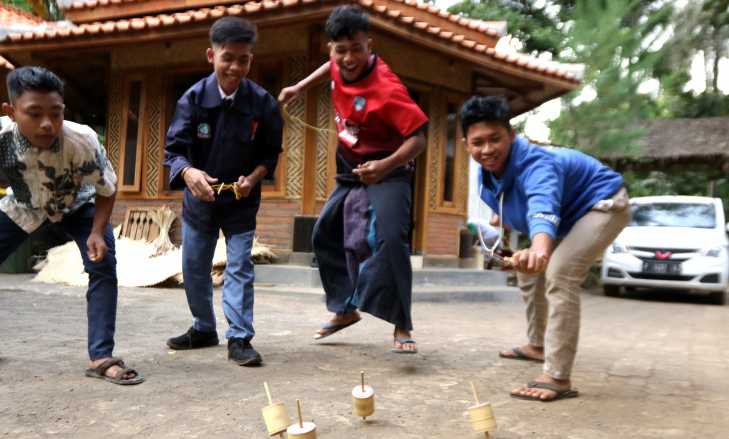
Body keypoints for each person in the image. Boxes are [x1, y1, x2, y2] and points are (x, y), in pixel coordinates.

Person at [0, 66, 143, 385]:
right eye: (35, 113)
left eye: (55, 114)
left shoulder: (82, 140)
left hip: (77, 202)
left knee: (102, 264)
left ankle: (101, 356)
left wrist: (98, 231)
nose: (47, 124)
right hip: (25, 202)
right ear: (11, 112)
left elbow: (106, 188)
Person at [459, 96, 631, 401]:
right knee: (528, 276)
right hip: (569, 217)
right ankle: (537, 346)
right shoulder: (489, 172)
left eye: (495, 139)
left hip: (603, 205)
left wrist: (539, 253)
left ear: (512, 135)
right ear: (466, 144)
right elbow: (514, 202)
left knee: (560, 273)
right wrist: (499, 222)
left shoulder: (537, 163)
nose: (487, 150)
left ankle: (557, 375)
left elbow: (542, 208)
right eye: (478, 142)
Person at [278, 5, 428, 354]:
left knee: (391, 241)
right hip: (350, 165)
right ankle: (345, 310)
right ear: (332, 48)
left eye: (356, 49)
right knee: (324, 233)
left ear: (369, 45)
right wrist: (299, 86)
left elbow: (419, 137)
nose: (348, 59)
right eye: (340, 50)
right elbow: (330, 69)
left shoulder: (387, 88)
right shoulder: (338, 60)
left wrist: (386, 165)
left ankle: (402, 325)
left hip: (390, 171)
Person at [164, 17, 284, 366]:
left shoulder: (263, 103)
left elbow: (270, 154)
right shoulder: (193, 99)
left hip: (241, 201)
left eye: (243, 58)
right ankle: (203, 328)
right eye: (227, 57)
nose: (235, 66)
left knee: (239, 266)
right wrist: (188, 173)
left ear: (251, 59)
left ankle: (239, 337)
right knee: (194, 267)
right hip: (199, 199)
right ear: (211, 55)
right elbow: (174, 151)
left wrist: (255, 176)